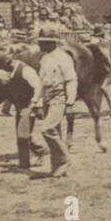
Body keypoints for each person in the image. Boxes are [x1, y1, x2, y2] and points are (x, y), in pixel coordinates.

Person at [32, 32, 75, 177]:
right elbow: (40, 83)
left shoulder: (64, 58)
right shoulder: (44, 59)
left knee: (47, 128)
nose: (39, 45)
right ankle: (58, 167)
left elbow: (71, 80)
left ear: (51, 43)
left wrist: (70, 102)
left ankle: (65, 160)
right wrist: (36, 102)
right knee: (56, 132)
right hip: (47, 97)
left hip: (59, 96)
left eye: (42, 42)